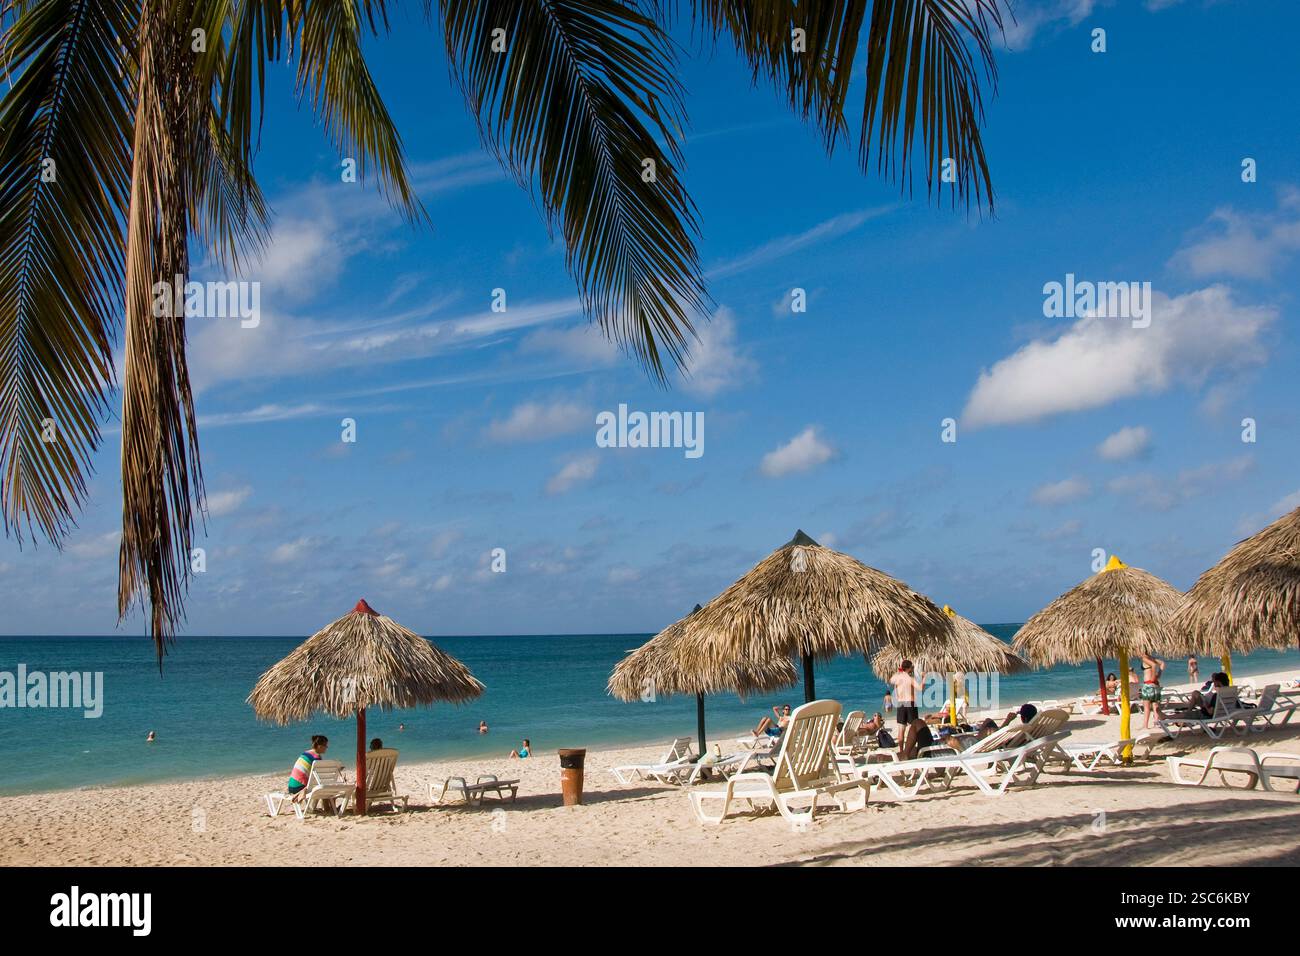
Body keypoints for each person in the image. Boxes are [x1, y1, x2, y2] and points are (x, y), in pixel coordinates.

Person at [287, 735, 329, 801]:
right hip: (299, 787)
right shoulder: (317, 757)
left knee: (317, 784)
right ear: (319, 746)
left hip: (291, 786)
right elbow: (319, 776)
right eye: (325, 745)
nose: (327, 747)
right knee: (321, 787)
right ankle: (326, 808)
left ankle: (323, 808)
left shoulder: (306, 753)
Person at [889, 661, 923, 743]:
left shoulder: (897, 679)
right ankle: (913, 748)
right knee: (913, 728)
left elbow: (894, 686)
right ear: (908, 668)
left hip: (901, 704)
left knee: (901, 729)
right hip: (910, 703)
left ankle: (901, 750)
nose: (912, 668)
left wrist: (899, 672)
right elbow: (920, 688)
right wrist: (924, 678)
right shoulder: (910, 679)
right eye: (911, 667)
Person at [1139, 652, 1166, 729]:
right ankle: (1156, 723)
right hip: (1156, 684)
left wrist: (1153, 677)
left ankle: (1145, 725)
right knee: (1155, 705)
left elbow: (1153, 665)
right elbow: (1162, 663)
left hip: (1148, 684)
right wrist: (1159, 674)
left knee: (1146, 706)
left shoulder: (1144, 658)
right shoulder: (1151, 658)